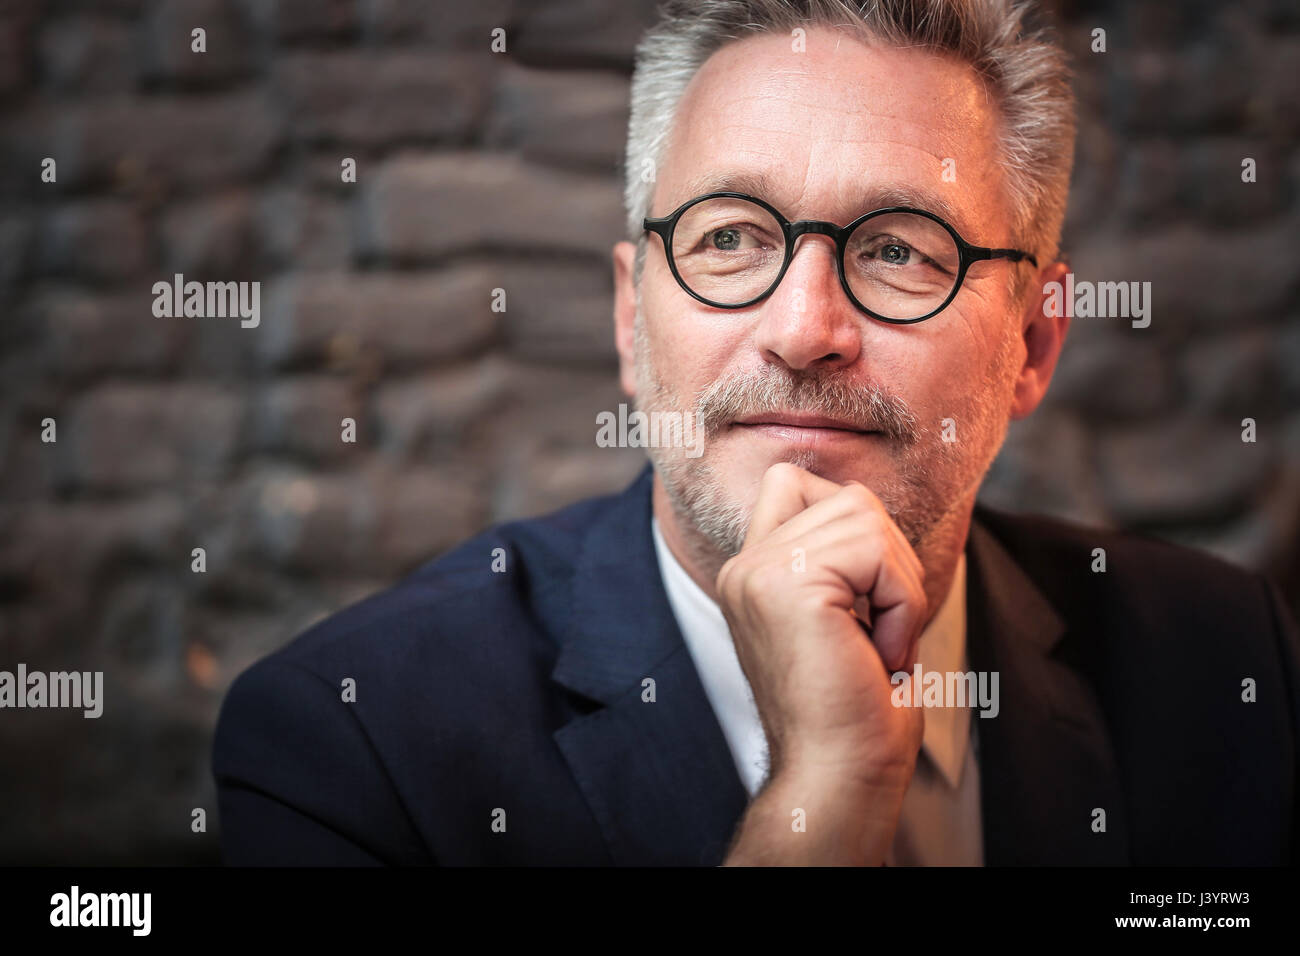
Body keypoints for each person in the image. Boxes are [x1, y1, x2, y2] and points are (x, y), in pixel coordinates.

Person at [212, 0, 1299, 866]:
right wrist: (824, 790)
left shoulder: (1237, 666)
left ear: (1031, 346)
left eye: (899, 250)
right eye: (729, 237)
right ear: (632, 320)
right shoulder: (354, 744)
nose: (802, 330)